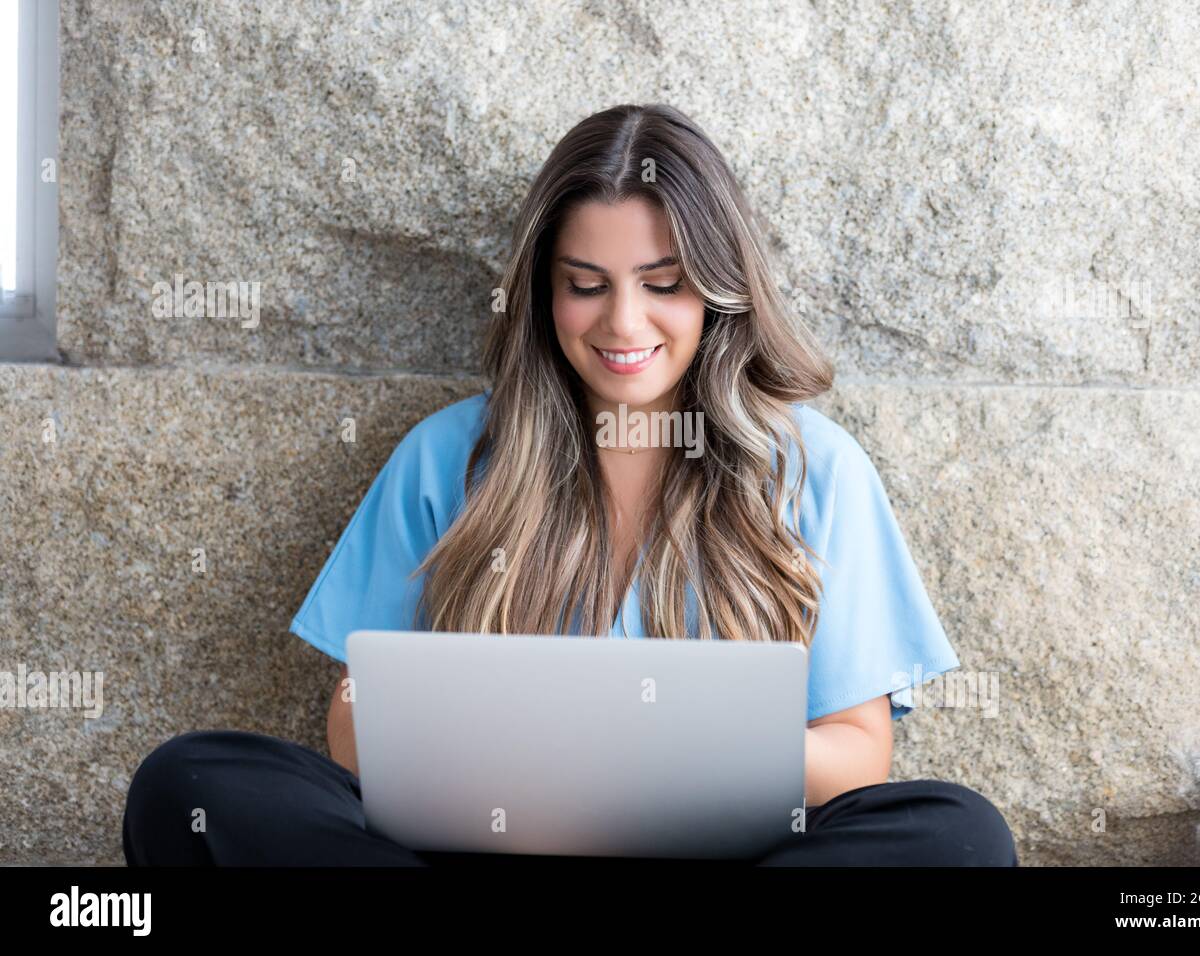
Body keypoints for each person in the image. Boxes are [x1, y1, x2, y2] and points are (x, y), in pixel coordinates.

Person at [122, 103, 1017, 867]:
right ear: (543, 295)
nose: (623, 323)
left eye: (662, 285)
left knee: (957, 836)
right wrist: (520, 752)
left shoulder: (811, 470)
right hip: (486, 850)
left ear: (718, 290)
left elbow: (860, 759)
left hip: (721, 854)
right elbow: (354, 726)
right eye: (585, 286)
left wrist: (656, 751)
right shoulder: (449, 459)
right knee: (192, 784)